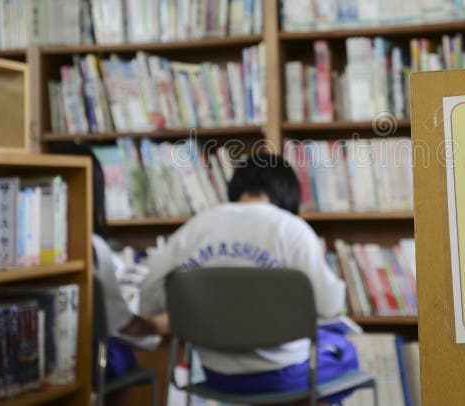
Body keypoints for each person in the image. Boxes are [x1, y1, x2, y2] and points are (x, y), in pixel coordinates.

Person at [139, 152, 358, 404]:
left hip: (217, 374)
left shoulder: (195, 228)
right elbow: (330, 306)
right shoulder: (291, 230)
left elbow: (149, 292)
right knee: (344, 352)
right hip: (280, 374)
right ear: (288, 193)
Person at [48, 142, 157, 397]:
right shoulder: (93, 246)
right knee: (121, 356)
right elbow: (123, 322)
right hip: (86, 360)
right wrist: (161, 324)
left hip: (48, 359)